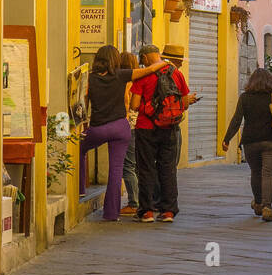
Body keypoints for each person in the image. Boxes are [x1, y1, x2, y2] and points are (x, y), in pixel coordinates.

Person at [79, 45, 161, 222]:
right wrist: (163, 64)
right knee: (116, 172)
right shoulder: (121, 75)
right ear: (115, 59)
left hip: (98, 128)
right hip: (120, 128)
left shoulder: (90, 79)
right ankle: (111, 214)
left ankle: (79, 189)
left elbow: (83, 105)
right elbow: (149, 69)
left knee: (79, 148)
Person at [222, 67, 272, 223]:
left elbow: (236, 120)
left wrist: (227, 139)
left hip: (251, 141)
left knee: (255, 172)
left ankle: (258, 203)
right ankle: (267, 207)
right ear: (271, 81)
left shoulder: (245, 97)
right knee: (268, 173)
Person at [132, 43, 192, 223]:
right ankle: (168, 211)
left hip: (145, 128)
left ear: (144, 58)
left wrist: (148, 107)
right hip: (169, 127)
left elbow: (134, 105)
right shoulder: (176, 73)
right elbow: (185, 102)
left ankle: (147, 211)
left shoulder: (143, 76)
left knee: (146, 169)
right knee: (168, 169)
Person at [119, 51, 140, 216]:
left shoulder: (126, 82)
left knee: (128, 165)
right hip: (141, 125)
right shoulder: (140, 81)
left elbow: (127, 103)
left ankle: (134, 203)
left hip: (130, 125)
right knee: (136, 165)